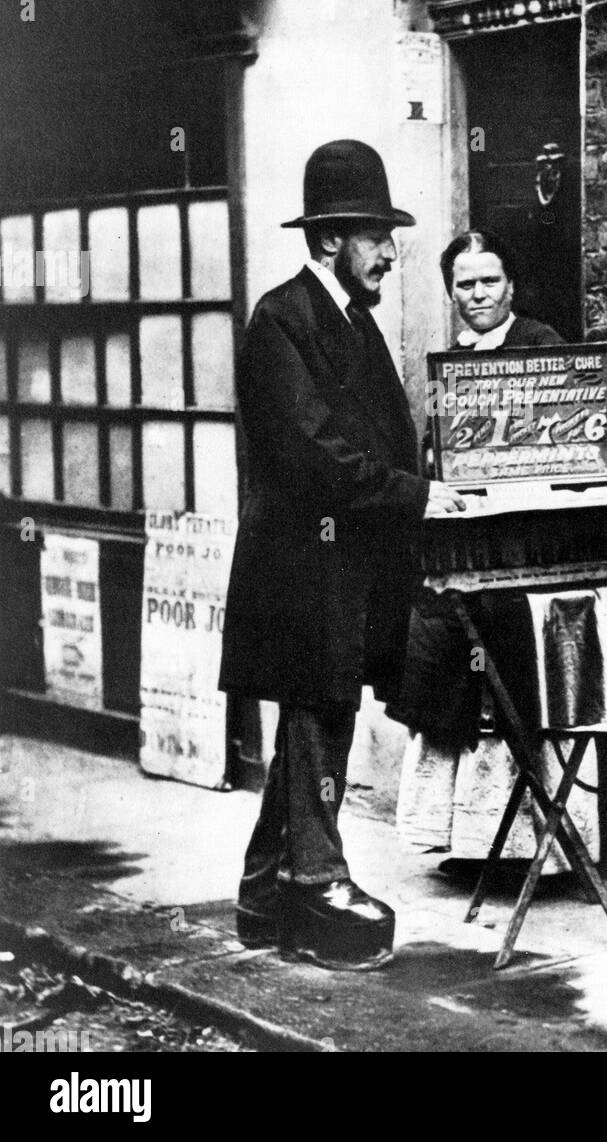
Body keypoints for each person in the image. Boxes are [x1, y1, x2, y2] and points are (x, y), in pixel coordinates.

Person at [219, 139, 464, 971]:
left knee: (317, 717)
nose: (392, 253)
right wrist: (419, 495)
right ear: (330, 240)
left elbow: (380, 438)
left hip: (348, 570)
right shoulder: (281, 319)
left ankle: (262, 897)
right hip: (300, 570)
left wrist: (424, 485)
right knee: (318, 716)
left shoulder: (352, 322)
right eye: (375, 236)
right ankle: (316, 880)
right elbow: (314, 457)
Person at [387, 230, 602, 871]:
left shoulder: (541, 348)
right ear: (450, 291)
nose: (477, 294)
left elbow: (570, 447)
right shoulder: (448, 362)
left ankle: (533, 846)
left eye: (489, 282)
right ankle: (469, 843)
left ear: (511, 286)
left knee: (513, 667)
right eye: (464, 284)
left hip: (533, 547)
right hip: (467, 544)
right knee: (446, 650)